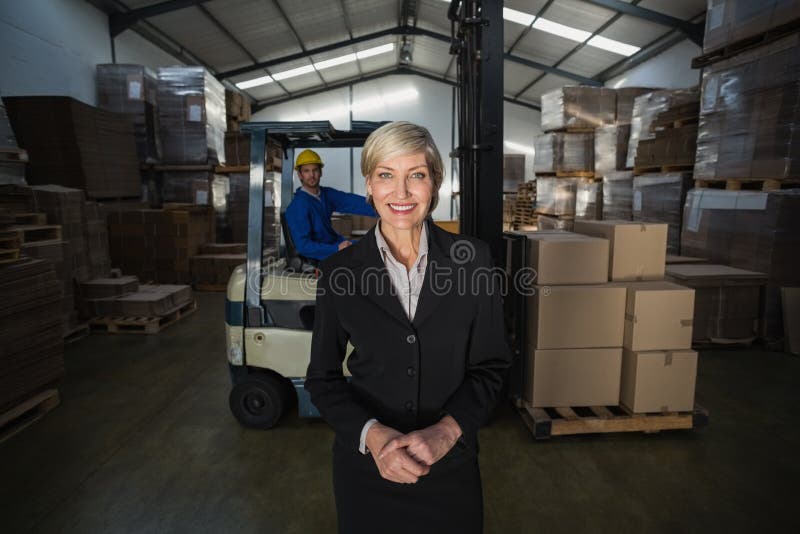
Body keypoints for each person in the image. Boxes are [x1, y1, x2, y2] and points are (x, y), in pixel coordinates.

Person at [305, 121, 511, 534]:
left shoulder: (474, 261)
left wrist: (445, 432)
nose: (400, 193)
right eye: (386, 175)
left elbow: (492, 366)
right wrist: (374, 437)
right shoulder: (339, 272)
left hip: (449, 468)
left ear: (434, 182)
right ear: (369, 185)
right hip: (367, 472)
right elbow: (322, 379)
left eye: (415, 175)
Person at [283, 149, 377, 261]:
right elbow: (304, 246)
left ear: (321, 172)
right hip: (323, 253)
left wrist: (380, 207)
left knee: (373, 248)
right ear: (300, 175)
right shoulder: (298, 206)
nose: (311, 175)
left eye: (315, 170)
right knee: (370, 258)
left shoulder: (325, 194)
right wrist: (336, 248)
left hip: (336, 243)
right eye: (306, 171)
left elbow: (351, 202)